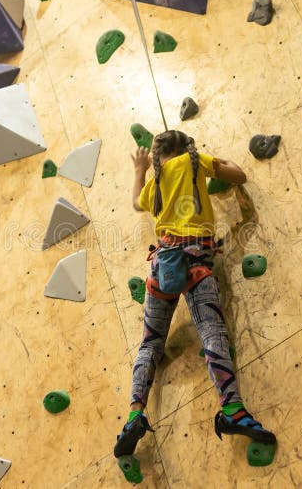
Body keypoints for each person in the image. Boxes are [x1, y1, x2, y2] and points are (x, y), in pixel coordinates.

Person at [114, 130, 277, 458]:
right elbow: (238, 174)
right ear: (186, 149)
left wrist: (140, 169)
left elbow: (135, 203)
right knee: (212, 333)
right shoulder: (193, 162)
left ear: (158, 156)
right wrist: (215, 161)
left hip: (162, 265)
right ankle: (232, 410)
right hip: (196, 261)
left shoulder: (154, 184)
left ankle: (135, 414)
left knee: (150, 344)